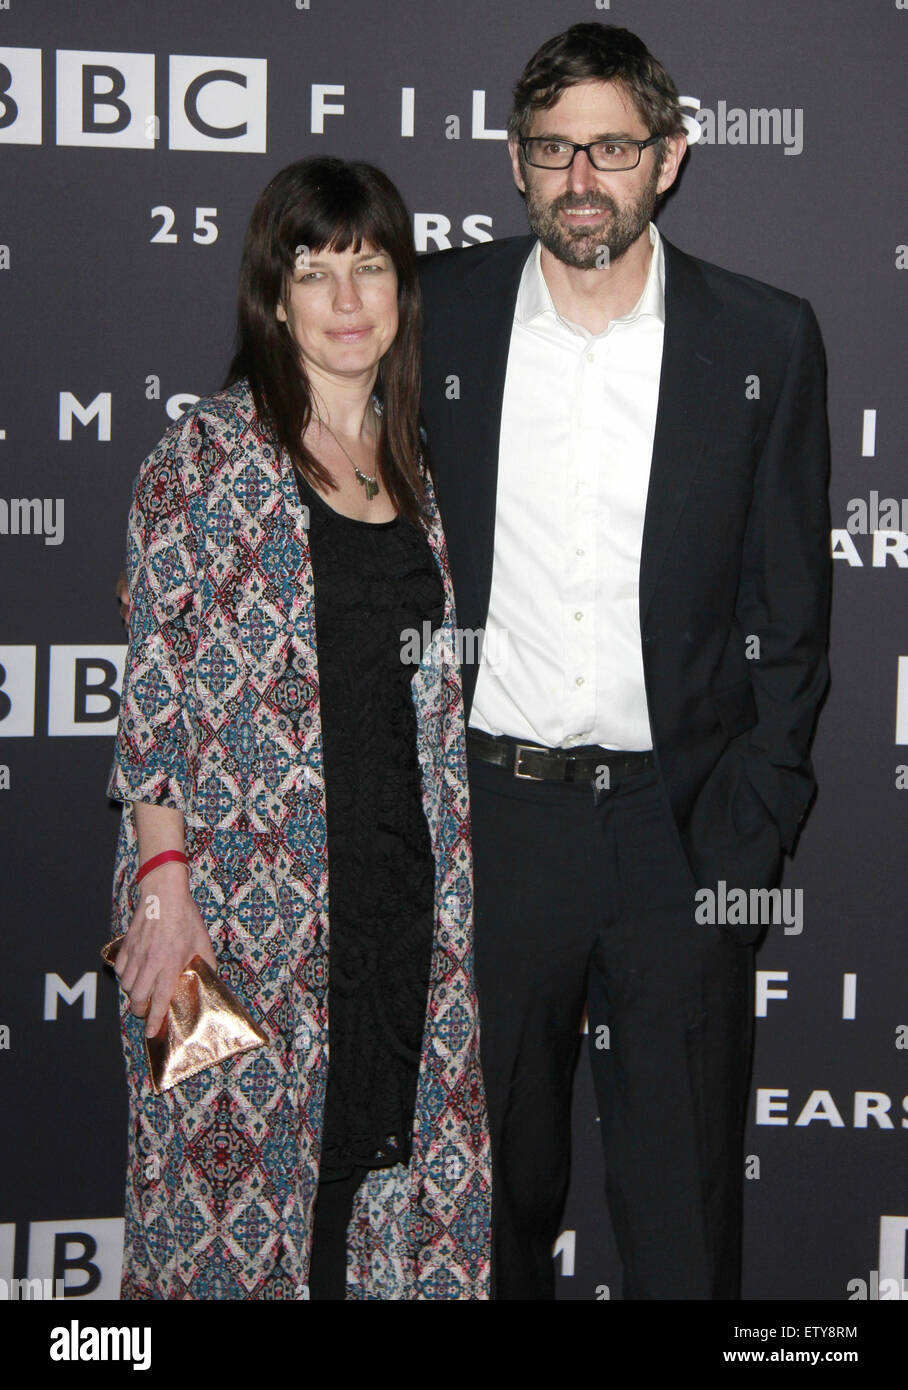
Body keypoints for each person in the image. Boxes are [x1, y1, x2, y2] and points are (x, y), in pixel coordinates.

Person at [416, 23, 831, 1299]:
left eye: (609, 146)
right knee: (477, 1209)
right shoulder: (435, 315)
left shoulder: (763, 338)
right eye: (552, 149)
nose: (579, 177)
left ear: (668, 156)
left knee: (680, 1221)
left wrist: (745, 836)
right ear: (513, 162)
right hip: (493, 827)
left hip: (680, 833)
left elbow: (792, 612)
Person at [106, 156, 490, 1300]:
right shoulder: (204, 460)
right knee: (216, 1216)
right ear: (273, 297)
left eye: (367, 267)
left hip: (398, 908)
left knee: (380, 1187)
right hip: (234, 916)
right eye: (312, 271)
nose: (343, 300)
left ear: (398, 290)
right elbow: (152, 706)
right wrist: (164, 890)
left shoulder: (425, 469)